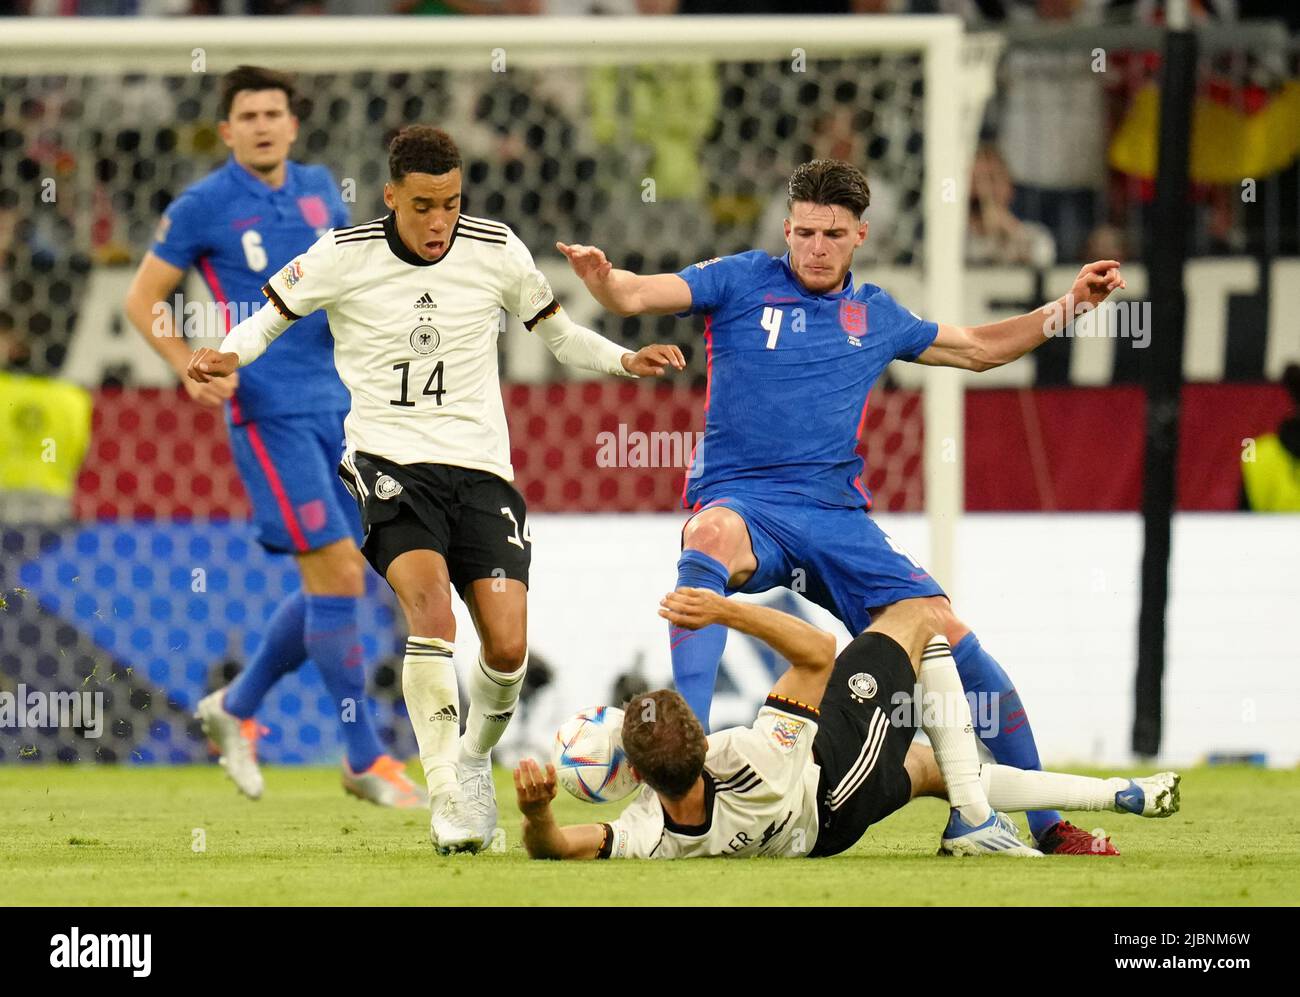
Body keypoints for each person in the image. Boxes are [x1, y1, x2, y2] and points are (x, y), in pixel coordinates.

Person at [556, 157, 1129, 855]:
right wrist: (603, 280)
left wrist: (1069, 305)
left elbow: (978, 348)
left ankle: (1048, 825)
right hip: (747, 504)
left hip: (836, 519)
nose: (816, 247)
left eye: (832, 233)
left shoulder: (877, 314)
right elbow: (638, 292)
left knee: (950, 637)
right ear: (787, 229)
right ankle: (689, 763)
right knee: (707, 532)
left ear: (860, 234)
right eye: (804, 232)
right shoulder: (738, 279)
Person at [186, 125, 685, 854]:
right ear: (391, 196)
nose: (438, 221)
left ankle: (475, 758)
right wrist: (224, 351)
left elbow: (560, 334)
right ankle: (447, 792)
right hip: (390, 464)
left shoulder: (497, 249)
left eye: (450, 203)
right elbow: (271, 317)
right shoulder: (343, 254)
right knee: (429, 612)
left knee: (508, 648)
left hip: (481, 471)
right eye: (422, 205)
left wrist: (623, 359)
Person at [123, 66, 422, 809]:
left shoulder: (321, 186)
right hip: (269, 413)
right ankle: (362, 756)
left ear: (293, 125)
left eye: (274, 112)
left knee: (341, 573)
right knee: (341, 575)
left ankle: (236, 705)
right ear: (226, 131)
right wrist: (184, 365)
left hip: (344, 408)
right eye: (247, 115)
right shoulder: (204, 205)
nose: (262, 124)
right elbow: (142, 299)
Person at [514, 587, 1180, 861]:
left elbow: (556, 847)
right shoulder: (748, 752)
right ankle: (978, 825)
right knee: (920, 616)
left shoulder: (647, 831)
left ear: (637, 776)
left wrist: (538, 811)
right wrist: (727, 611)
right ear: (698, 734)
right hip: (829, 785)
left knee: (935, 770)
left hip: (819, 832)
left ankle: (1120, 792)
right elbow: (816, 652)